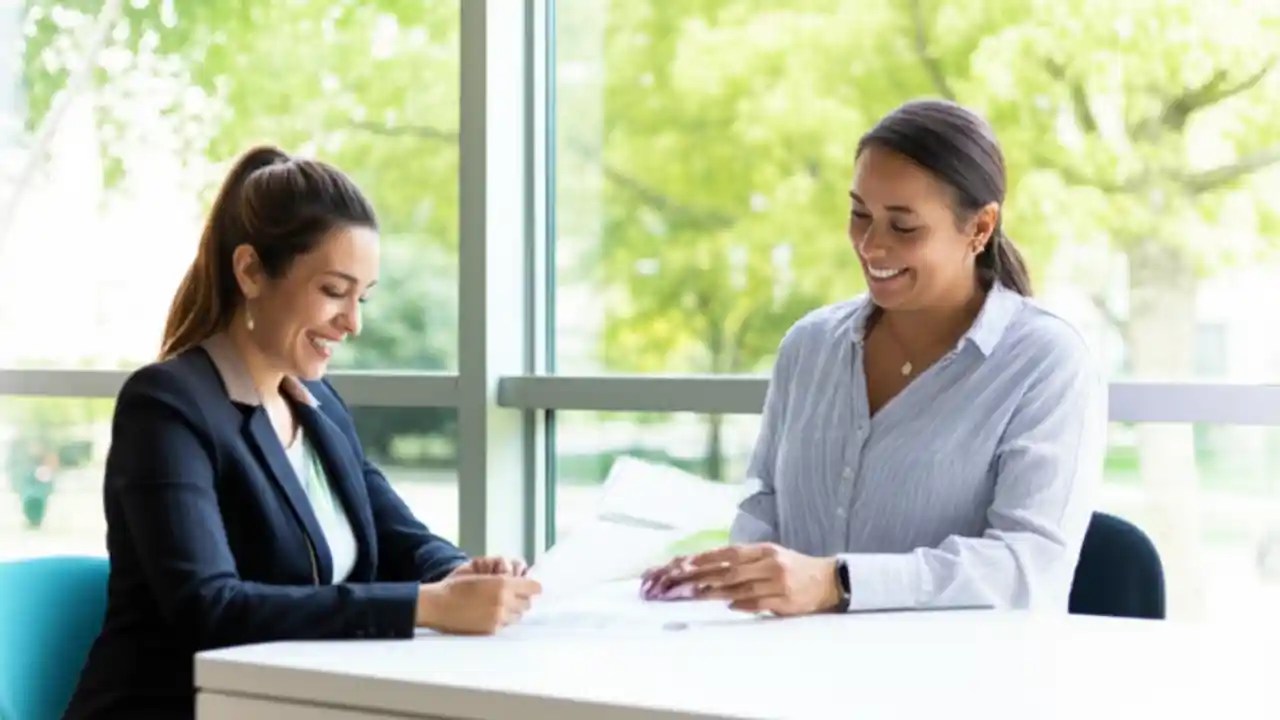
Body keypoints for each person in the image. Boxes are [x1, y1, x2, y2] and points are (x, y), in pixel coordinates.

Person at [64, 146, 541, 719]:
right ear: (250, 271)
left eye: (361, 297)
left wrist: (457, 572)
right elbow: (211, 608)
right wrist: (428, 606)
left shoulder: (318, 405)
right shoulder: (168, 406)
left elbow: (396, 536)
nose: (353, 322)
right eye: (334, 291)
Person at [641, 99, 1105, 616]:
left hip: (961, 681)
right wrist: (724, 575)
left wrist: (837, 582)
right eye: (860, 214)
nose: (870, 245)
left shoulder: (1046, 360)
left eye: (903, 227)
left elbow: (1025, 569)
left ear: (980, 228)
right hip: (788, 673)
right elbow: (763, 509)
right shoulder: (809, 346)